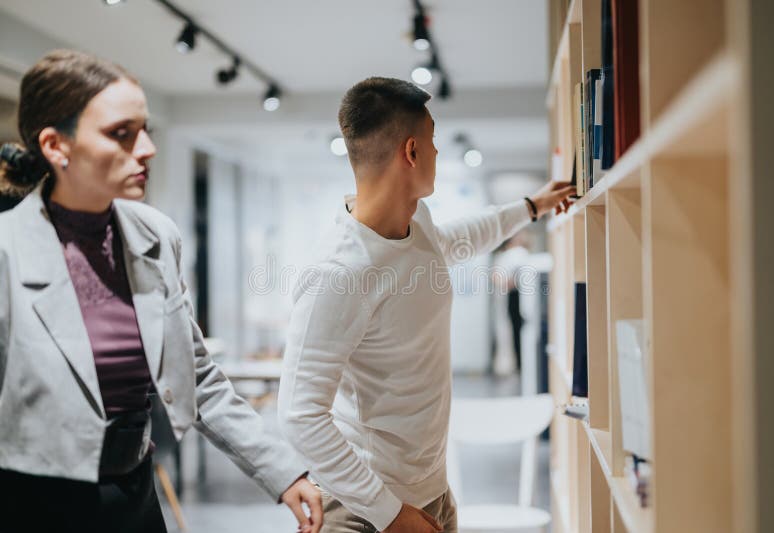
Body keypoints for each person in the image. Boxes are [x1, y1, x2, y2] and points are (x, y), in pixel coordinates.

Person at [0, 50, 321, 533]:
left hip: (135, 498)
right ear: (55, 145)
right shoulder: (7, 252)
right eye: (120, 134)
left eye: (144, 129)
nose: (147, 148)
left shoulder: (154, 235)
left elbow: (197, 378)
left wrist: (281, 469)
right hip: (33, 506)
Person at [277, 77, 575, 533]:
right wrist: (389, 513)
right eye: (433, 141)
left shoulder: (418, 222)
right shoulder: (338, 273)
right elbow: (300, 416)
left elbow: (458, 239)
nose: (438, 153)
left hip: (431, 494)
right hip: (365, 511)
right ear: (412, 152)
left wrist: (530, 207)